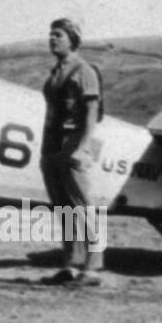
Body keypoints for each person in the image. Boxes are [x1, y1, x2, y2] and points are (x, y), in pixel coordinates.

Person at [39, 17, 106, 284]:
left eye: (58, 35)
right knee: (63, 208)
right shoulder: (56, 72)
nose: (52, 38)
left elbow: (91, 112)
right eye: (51, 34)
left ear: (72, 40)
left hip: (72, 145)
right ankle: (71, 264)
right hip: (52, 146)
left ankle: (93, 266)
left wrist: (83, 148)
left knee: (82, 206)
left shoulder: (84, 70)